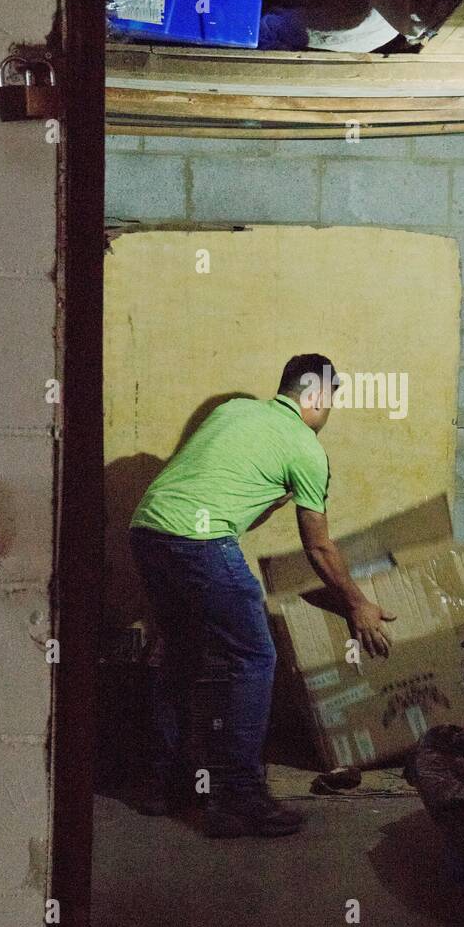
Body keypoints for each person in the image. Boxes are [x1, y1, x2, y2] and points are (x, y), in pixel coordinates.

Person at [129, 354, 395, 838]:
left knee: (181, 654)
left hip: (148, 529)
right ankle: (239, 798)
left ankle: (164, 785)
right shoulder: (306, 449)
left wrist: (271, 497)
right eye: (332, 397)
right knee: (253, 657)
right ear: (315, 396)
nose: (331, 409)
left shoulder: (232, 412)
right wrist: (358, 602)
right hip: (199, 541)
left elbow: (220, 487)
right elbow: (318, 547)